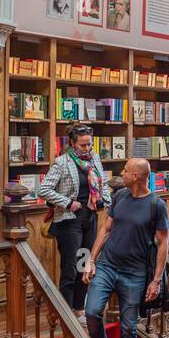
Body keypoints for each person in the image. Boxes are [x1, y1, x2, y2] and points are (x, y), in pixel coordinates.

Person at [82, 156, 169, 338]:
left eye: (126, 171)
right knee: (91, 311)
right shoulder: (120, 196)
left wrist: (156, 280)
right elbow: (106, 229)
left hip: (135, 273)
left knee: (129, 326)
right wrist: (91, 260)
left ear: (137, 177)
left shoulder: (156, 205)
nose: (122, 173)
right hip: (108, 265)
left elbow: (163, 243)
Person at [39, 125, 110, 310]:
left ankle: (78, 310)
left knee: (84, 266)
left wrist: (105, 201)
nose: (87, 148)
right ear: (72, 143)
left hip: (90, 220)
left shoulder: (95, 159)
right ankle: (65, 313)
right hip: (69, 222)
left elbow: (103, 183)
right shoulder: (62, 162)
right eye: (83, 145)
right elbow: (43, 189)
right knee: (69, 269)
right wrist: (68, 202)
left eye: (89, 144)